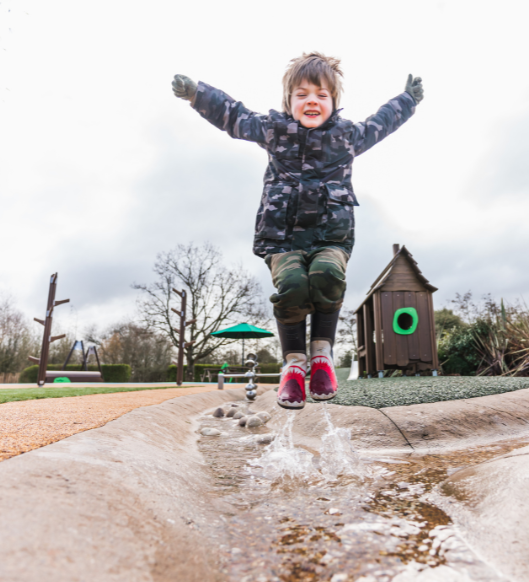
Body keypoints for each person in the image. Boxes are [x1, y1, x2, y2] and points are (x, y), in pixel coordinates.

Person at [172, 52, 423, 409]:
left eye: (321, 95)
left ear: (333, 103)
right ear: (288, 101)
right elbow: (234, 115)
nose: (311, 101)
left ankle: (321, 356)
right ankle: (293, 365)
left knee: (327, 275)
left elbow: (381, 122)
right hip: (282, 238)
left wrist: (408, 100)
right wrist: (198, 94)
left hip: (330, 237)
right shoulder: (274, 131)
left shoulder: (347, 136)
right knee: (292, 286)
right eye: (302, 94)